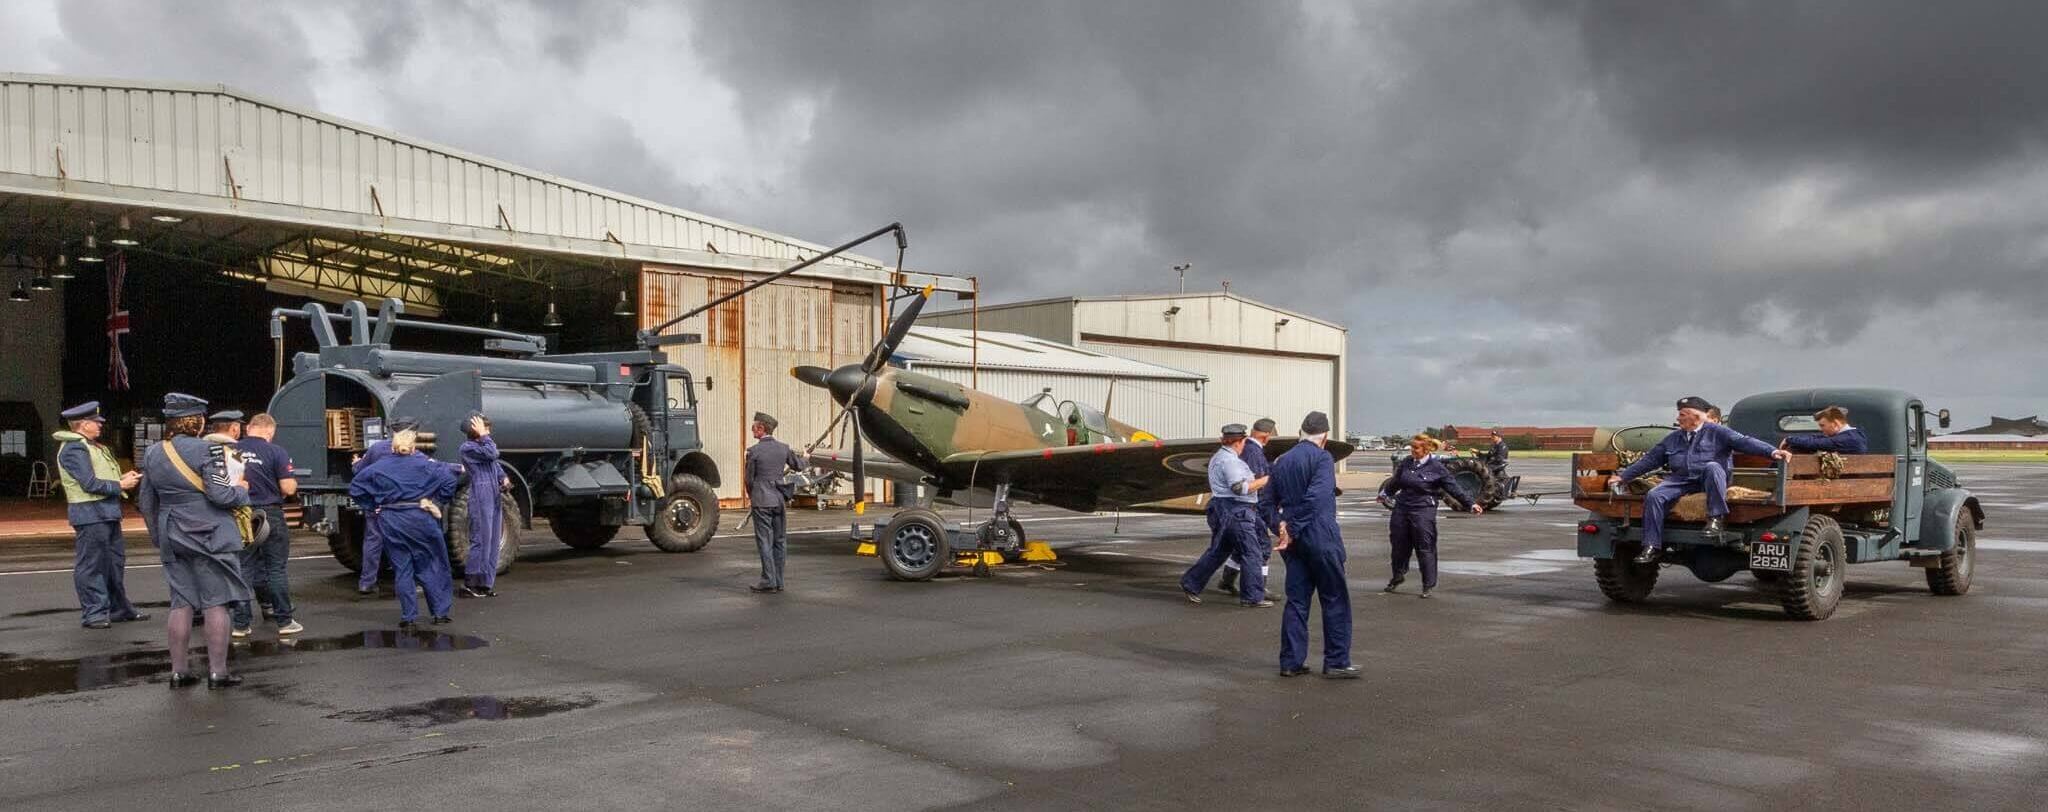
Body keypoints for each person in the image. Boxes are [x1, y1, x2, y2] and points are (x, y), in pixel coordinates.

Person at [136, 393, 252, 689]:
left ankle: (179, 671)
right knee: (216, 602)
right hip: (209, 534)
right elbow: (220, 495)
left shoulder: (153, 453)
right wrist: (242, 490)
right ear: (197, 421)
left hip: (171, 533)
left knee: (181, 602)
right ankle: (218, 672)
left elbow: (147, 501)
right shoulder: (209, 450)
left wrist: (158, 536)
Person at [1608, 396, 1790, 563]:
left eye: (1683, 415)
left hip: (1711, 479)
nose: (1678, 419)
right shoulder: (1673, 438)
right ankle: (1652, 546)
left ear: (1697, 417)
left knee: (1712, 467)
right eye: (1679, 415)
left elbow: (1745, 442)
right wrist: (1624, 477)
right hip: (1682, 480)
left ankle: (1716, 519)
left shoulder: (1718, 431)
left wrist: (1773, 452)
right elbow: (1650, 460)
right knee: (1655, 495)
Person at [1272, 411, 1358, 679]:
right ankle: (1336, 661)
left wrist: (1280, 527)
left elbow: (1265, 503)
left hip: (1295, 546)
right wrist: (1293, 530)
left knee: (1296, 601)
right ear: (1325, 437)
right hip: (1320, 538)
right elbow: (1316, 498)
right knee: (1334, 599)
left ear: (1301, 432)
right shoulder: (1323, 459)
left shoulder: (1281, 460)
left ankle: (1291, 661)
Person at [350, 426, 458, 629]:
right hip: (420, 516)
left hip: (391, 519)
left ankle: (408, 616)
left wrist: (374, 505)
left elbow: (356, 486)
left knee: (402, 568)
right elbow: (449, 479)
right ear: (414, 446)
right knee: (432, 564)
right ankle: (440, 612)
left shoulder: (380, 466)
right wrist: (436, 501)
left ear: (392, 445)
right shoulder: (425, 464)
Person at [53, 401, 148, 630]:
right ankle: (94, 613)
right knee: (92, 565)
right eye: (96, 423)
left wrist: (121, 478)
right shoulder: (75, 449)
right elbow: (89, 483)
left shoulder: (93, 446)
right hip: (90, 513)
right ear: (84, 425)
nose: (100, 426)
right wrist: (121, 483)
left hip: (105, 513)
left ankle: (118, 608)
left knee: (113, 563)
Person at [1179, 424, 1273, 607]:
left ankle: (1191, 582)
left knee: (1219, 550)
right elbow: (1239, 488)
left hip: (1223, 508)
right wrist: (1266, 480)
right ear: (1240, 441)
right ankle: (1252, 596)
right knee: (1252, 551)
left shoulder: (1218, 457)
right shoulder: (1230, 461)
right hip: (1236, 510)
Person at [1377, 434, 1482, 598]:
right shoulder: (1406, 463)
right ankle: (1397, 576)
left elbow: (1453, 487)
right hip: (1402, 507)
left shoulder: (1437, 467)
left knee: (1425, 546)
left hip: (1423, 509)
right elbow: (1395, 482)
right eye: (1411, 447)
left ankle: (1428, 584)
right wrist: (1384, 494)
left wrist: (1470, 503)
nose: (1412, 450)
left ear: (1426, 450)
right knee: (1398, 544)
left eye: (1416, 448)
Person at [229, 414, 302, 637]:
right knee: (275, 569)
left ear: (248, 428)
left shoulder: (232, 451)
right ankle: (284, 621)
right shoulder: (276, 451)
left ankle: (241, 624)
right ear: (270, 431)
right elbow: (289, 488)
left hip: (242, 514)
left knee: (243, 568)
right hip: (270, 513)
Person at [1216, 417, 1279, 596]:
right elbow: (1256, 483)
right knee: (1262, 545)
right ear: (1266, 437)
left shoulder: (1247, 450)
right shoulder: (1254, 453)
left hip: (1238, 506)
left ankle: (1227, 580)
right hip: (1251, 507)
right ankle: (1259, 587)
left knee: (1241, 546)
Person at [745, 412, 806, 593]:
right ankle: (779, 581)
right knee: (780, 540)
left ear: (762, 429)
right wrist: (807, 457)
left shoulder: (753, 451)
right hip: (779, 499)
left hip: (762, 501)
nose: (752, 429)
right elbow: (799, 466)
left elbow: (749, 480)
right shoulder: (783, 448)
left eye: (754, 427)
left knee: (765, 541)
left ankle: (767, 581)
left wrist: (753, 496)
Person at [350, 418, 410, 596]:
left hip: (376, 502)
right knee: (403, 544)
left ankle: (366, 583)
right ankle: (407, 583)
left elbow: (359, 471)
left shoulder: (376, 449)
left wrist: (355, 462)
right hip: (399, 504)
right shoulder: (411, 451)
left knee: (373, 542)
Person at [458, 413, 508, 597]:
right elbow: (492, 453)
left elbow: (495, 464)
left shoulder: (483, 445)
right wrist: (484, 435)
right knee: (481, 539)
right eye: (485, 428)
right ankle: (471, 583)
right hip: (481, 493)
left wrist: (503, 478)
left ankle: (486, 583)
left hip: (493, 492)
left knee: (493, 540)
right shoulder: (467, 448)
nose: (489, 431)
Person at [1782, 405, 1869, 454]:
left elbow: (1815, 443)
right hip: (1846, 480)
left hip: (1845, 482)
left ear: (1835, 423)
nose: (1821, 429)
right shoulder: (1855, 434)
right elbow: (1816, 438)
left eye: (1823, 425)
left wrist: (1788, 440)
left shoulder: (1848, 439)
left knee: (1797, 448)